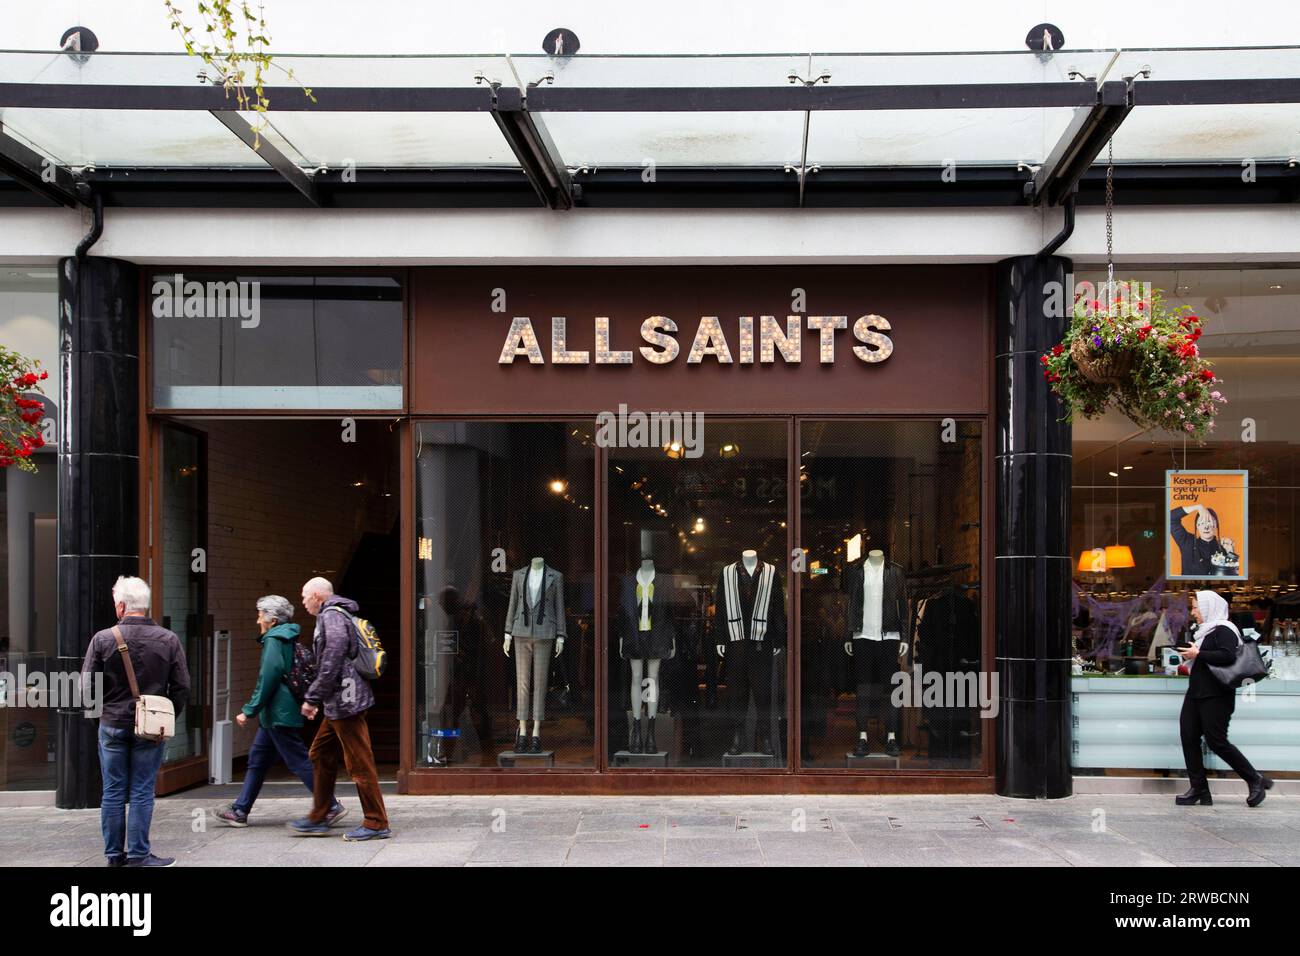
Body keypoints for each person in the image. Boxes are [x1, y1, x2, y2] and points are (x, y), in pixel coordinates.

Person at [80, 576, 190, 867]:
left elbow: (86, 688)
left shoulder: (103, 639)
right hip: (150, 728)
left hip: (112, 724)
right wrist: (166, 718)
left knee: (113, 791)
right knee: (142, 790)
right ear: (145, 605)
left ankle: (114, 856)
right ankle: (139, 855)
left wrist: (98, 719)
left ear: (121, 606)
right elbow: (182, 687)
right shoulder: (168, 639)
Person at [214, 596, 346, 828]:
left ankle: (330, 805)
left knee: (298, 761)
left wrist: (249, 710)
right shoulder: (286, 636)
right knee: (257, 760)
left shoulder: (275, 639)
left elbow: (269, 677)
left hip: (278, 712)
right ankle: (240, 809)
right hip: (276, 713)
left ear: (272, 619)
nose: (257, 620)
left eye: (260, 615)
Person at [289, 577, 391, 840]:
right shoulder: (333, 615)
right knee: (320, 753)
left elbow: (332, 658)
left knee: (360, 764)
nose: (302, 602)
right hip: (338, 703)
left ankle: (376, 822)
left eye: (304, 596)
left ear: (317, 596)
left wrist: (312, 698)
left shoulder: (331, 617)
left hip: (347, 703)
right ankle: (320, 816)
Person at [1175, 589, 1273, 807]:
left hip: (1217, 694)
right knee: (1188, 736)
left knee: (1216, 741)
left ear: (1209, 607)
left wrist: (1198, 654)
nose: (1193, 612)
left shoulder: (1224, 629)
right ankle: (1199, 789)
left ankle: (1255, 779)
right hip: (1197, 692)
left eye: (1195, 607)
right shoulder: (1204, 632)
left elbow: (1227, 655)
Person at [1170, 504, 1237, 577]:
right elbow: (1170, 518)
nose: (1206, 527)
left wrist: (1231, 552)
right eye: (1202, 523)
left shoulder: (1223, 546)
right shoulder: (1187, 542)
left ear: (1216, 525)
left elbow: (1232, 575)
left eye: (1209, 522)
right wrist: (1198, 507)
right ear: (1197, 526)